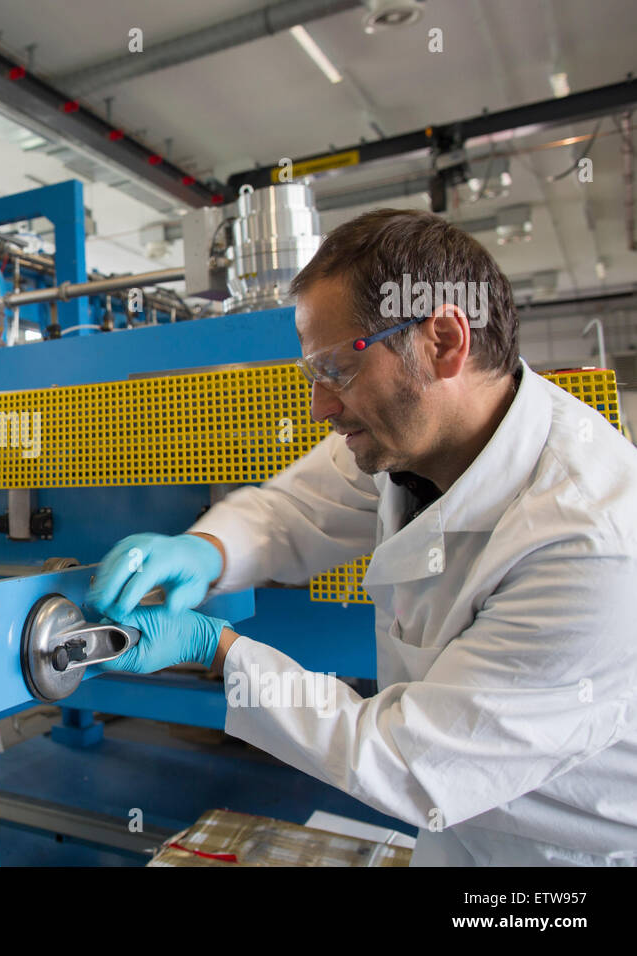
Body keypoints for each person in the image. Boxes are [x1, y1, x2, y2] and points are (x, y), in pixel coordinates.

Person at [88, 209, 637, 866]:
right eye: (311, 374)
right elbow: (294, 510)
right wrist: (204, 552)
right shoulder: (413, 437)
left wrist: (218, 649)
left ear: (442, 341)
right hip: (463, 837)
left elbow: (404, 758)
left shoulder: (589, 543)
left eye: (337, 369)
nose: (320, 405)